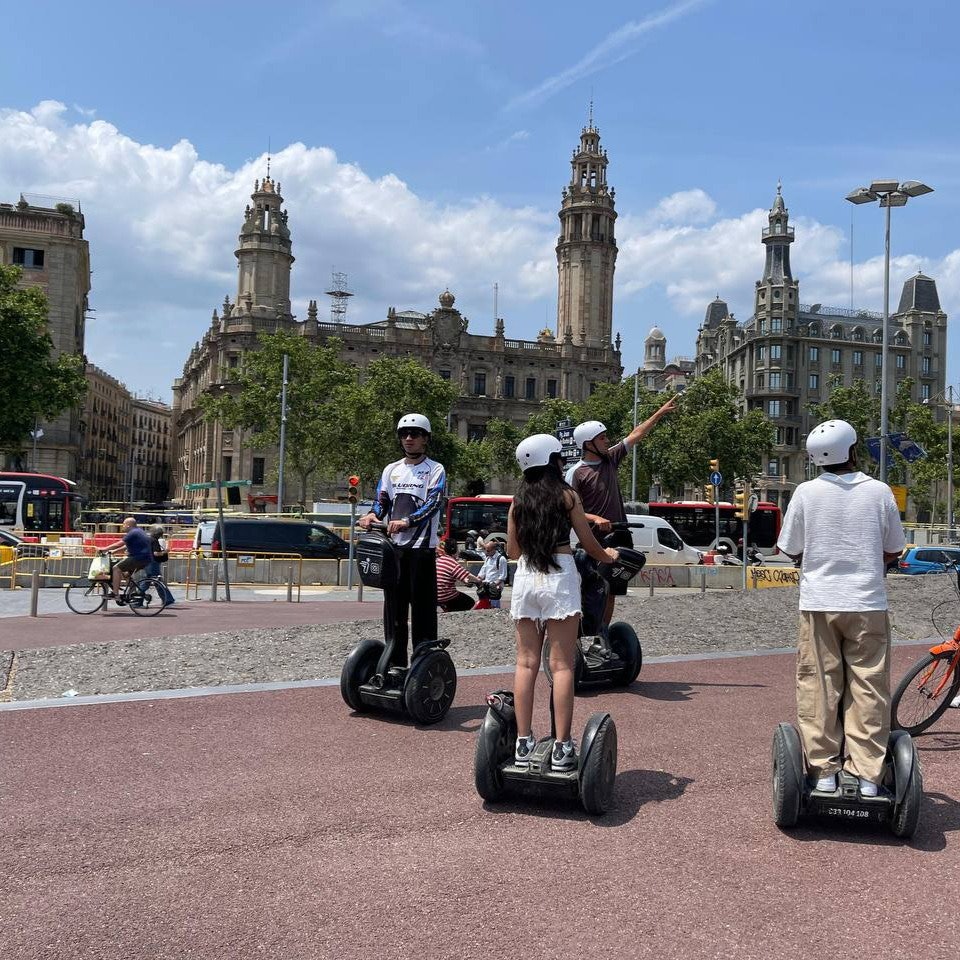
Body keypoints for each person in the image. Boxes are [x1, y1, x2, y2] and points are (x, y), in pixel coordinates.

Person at [776, 419, 906, 797]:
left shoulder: (805, 493)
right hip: (867, 602)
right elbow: (893, 549)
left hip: (819, 603)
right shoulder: (879, 492)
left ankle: (823, 772)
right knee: (869, 686)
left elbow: (791, 549)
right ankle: (867, 776)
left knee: (819, 684)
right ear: (853, 451)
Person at [508, 434, 618, 771]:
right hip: (560, 576)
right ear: (551, 460)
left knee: (525, 663)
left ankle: (523, 742)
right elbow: (588, 542)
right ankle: (561, 748)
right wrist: (609, 555)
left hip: (526, 577)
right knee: (562, 666)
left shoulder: (518, 500)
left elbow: (512, 552)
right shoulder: (567, 496)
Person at [568, 396, 675, 625]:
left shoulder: (610, 459)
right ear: (588, 444)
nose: (608, 441)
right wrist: (594, 517)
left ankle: (602, 634)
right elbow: (569, 509)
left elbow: (636, 435)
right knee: (592, 589)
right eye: (602, 438)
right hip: (594, 540)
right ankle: (578, 629)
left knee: (611, 590)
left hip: (620, 535)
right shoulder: (577, 472)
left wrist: (660, 412)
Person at [358, 413, 446, 666]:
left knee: (423, 611)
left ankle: (424, 663)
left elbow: (433, 504)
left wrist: (407, 521)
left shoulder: (435, 469)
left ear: (425, 439)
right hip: (394, 550)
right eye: (404, 434)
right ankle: (395, 664)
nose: (409, 439)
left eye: (415, 434)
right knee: (394, 610)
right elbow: (381, 500)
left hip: (422, 550)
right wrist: (372, 514)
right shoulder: (391, 469)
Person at [102, 517, 154, 602]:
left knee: (116, 568)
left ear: (128, 525)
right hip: (145, 558)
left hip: (138, 558)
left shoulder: (132, 533)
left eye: (124, 524)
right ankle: (132, 592)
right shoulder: (139, 531)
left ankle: (115, 594)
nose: (122, 526)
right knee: (126, 574)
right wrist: (114, 551)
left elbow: (119, 543)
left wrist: (104, 549)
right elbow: (126, 546)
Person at [436, 537, 483, 612]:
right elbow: (467, 575)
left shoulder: (439, 560)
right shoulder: (451, 562)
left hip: (436, 594)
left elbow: (461, 576)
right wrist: (479, 581)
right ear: (455, 550)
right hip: (446, 596)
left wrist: (466, 581)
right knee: (469, 602)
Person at [146, 523, 176, 606]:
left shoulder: (148, 539)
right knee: (158, 581)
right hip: (154, 563)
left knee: (146, 582)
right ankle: (168, 599)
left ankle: (137, 600)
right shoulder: (154, 541)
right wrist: (165, 552)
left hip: (147, 562)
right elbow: (156, 553)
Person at [477, 537, 508, 608]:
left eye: (488, 551)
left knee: (494, 606)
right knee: (484, 605)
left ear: (494, 550)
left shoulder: (501, 559)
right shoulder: (487, 559)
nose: (486, 552)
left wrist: (493, 585)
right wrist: (477, 579)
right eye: (485, 550)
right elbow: (482, 572)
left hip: (495, 587)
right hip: (486, 585)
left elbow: (503, 576)